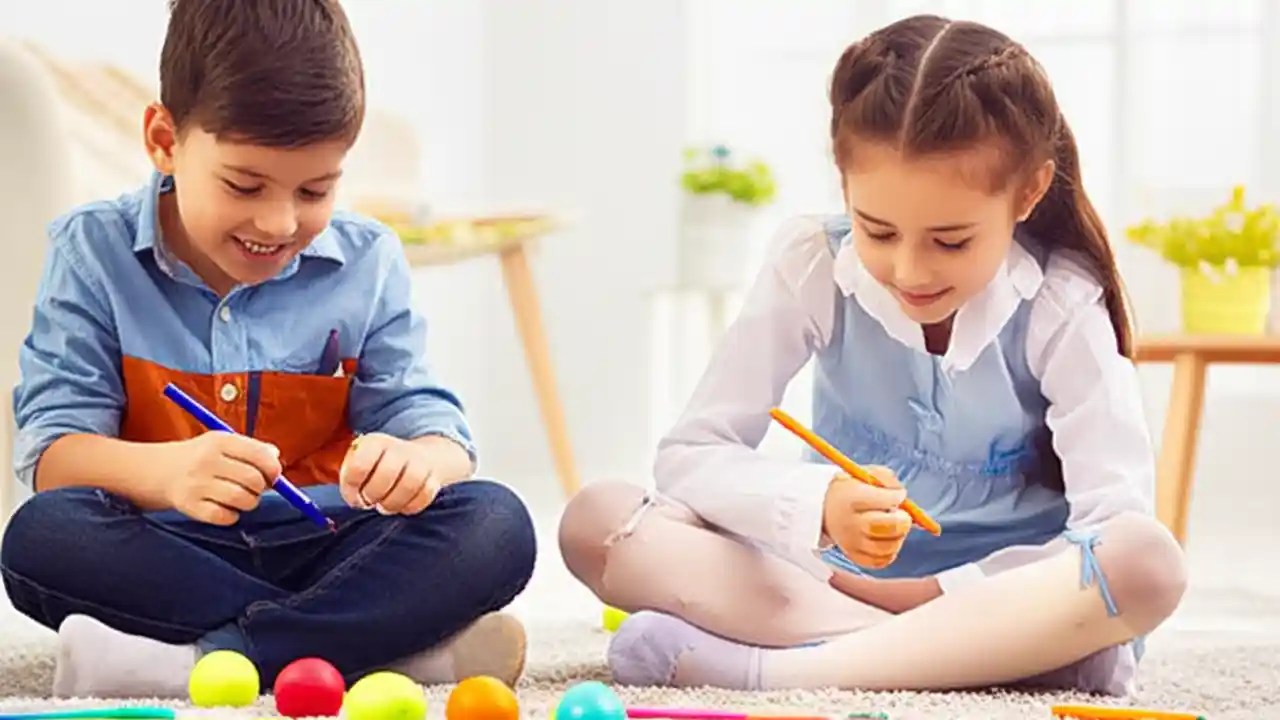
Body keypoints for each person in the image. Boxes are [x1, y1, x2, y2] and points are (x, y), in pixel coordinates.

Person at [559, 14, 1187, 696]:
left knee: (1146, 561)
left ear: (1029, 192)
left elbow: (1111, 523)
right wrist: (818, 504)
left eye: (950, 241)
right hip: (829, 580)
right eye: (877, 230)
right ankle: (978, 664)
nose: (910, 270)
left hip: (1007, 599)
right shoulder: (812, 265)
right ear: (843, 181)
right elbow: (692, 453)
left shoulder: (1060, 304)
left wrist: (937, 593)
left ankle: (771, 671)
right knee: (599, 521)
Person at [0, 0, 535, 699]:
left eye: (315, 189)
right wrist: (168, 474)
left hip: (336, 544)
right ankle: (382, 650)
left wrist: (416, 460)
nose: (279, 222)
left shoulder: (366, 259)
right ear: (164, 139)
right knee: (43, 538)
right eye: (243, 185)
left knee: (496, 523)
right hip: (175, 547)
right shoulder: (92, 251)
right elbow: (53, 455)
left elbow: (432, 424)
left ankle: (207, 659)